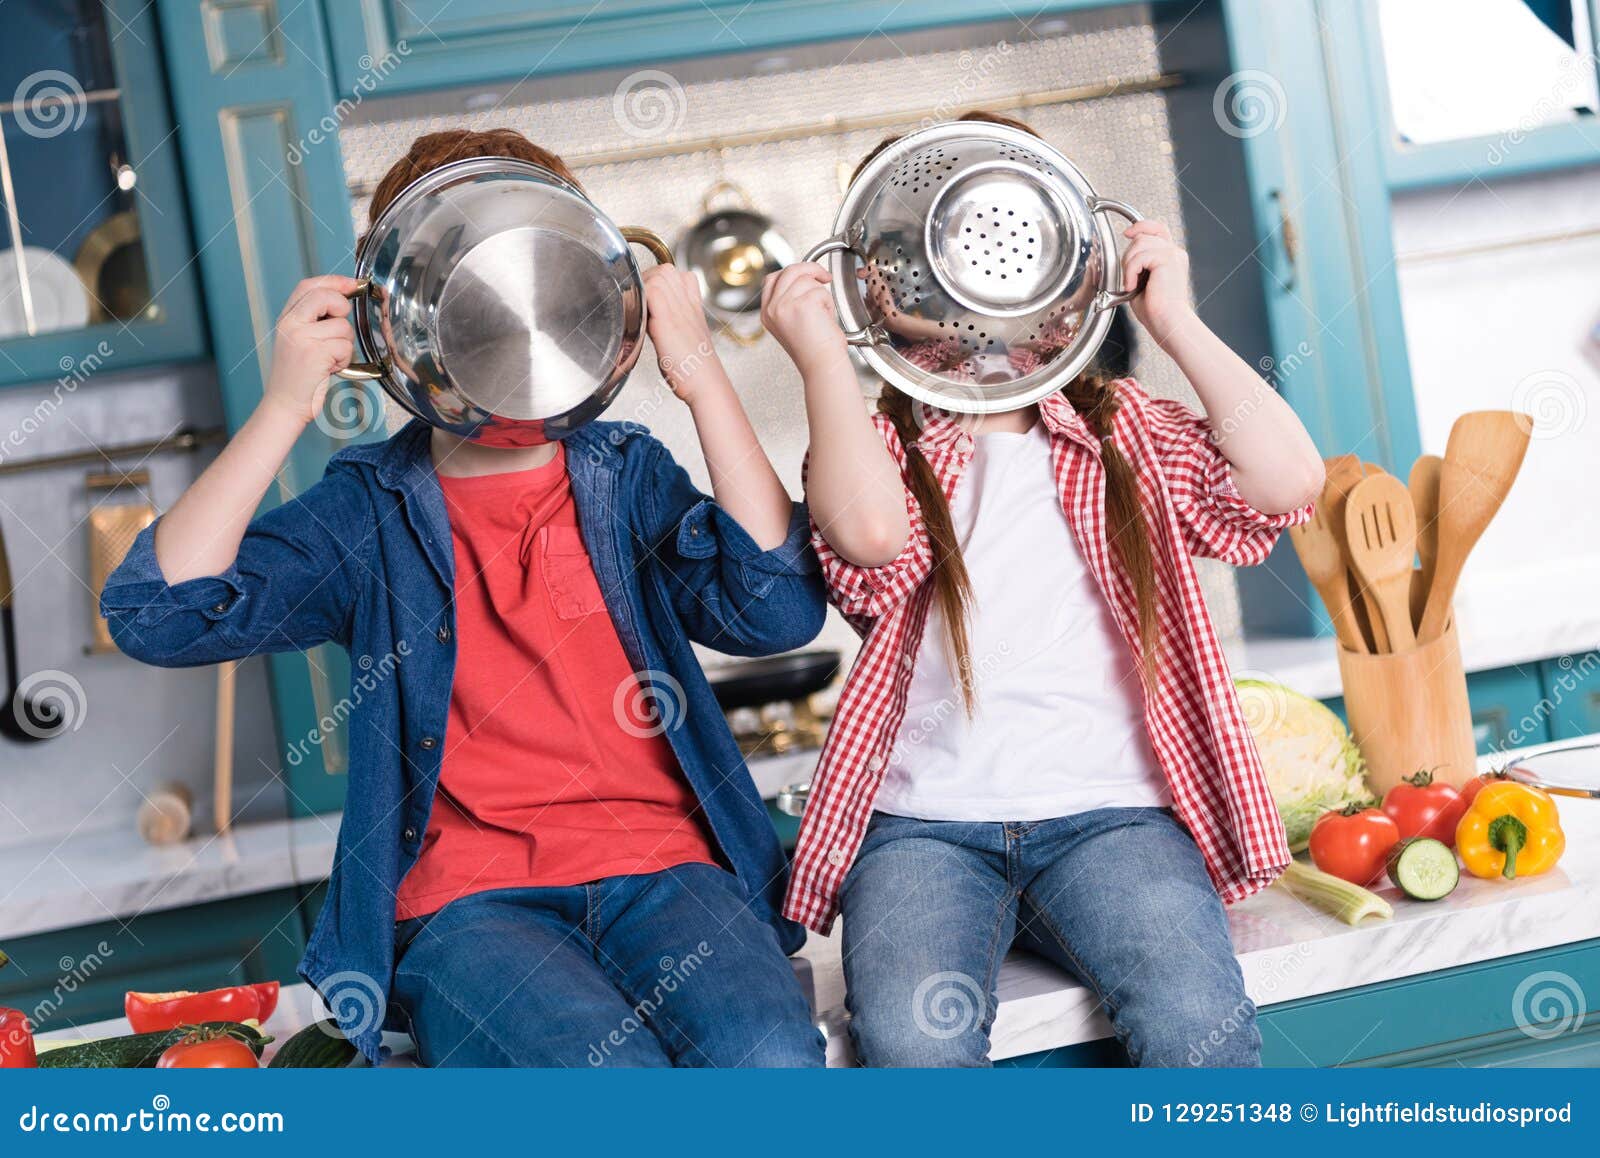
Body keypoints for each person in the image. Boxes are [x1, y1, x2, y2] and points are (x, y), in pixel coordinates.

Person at [102, 128, 827, 1068]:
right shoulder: (367, 509)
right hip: (468, 905)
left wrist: (697, 370)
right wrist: (283, 407)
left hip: (669, 872)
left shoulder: (627, 474)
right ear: (394, 311)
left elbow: (776, 611)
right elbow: (159, 616)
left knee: (772, 1060)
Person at [760, 111, 1324, 1067]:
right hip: (924, 832)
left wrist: (1176, 322)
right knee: (912, 1041)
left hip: (1115, 817)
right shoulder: (880, 448)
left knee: (1198, 1026)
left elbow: (1287, 480)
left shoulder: (1125, 429)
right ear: (874, 289)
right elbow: (867, 537)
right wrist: (822, 360)